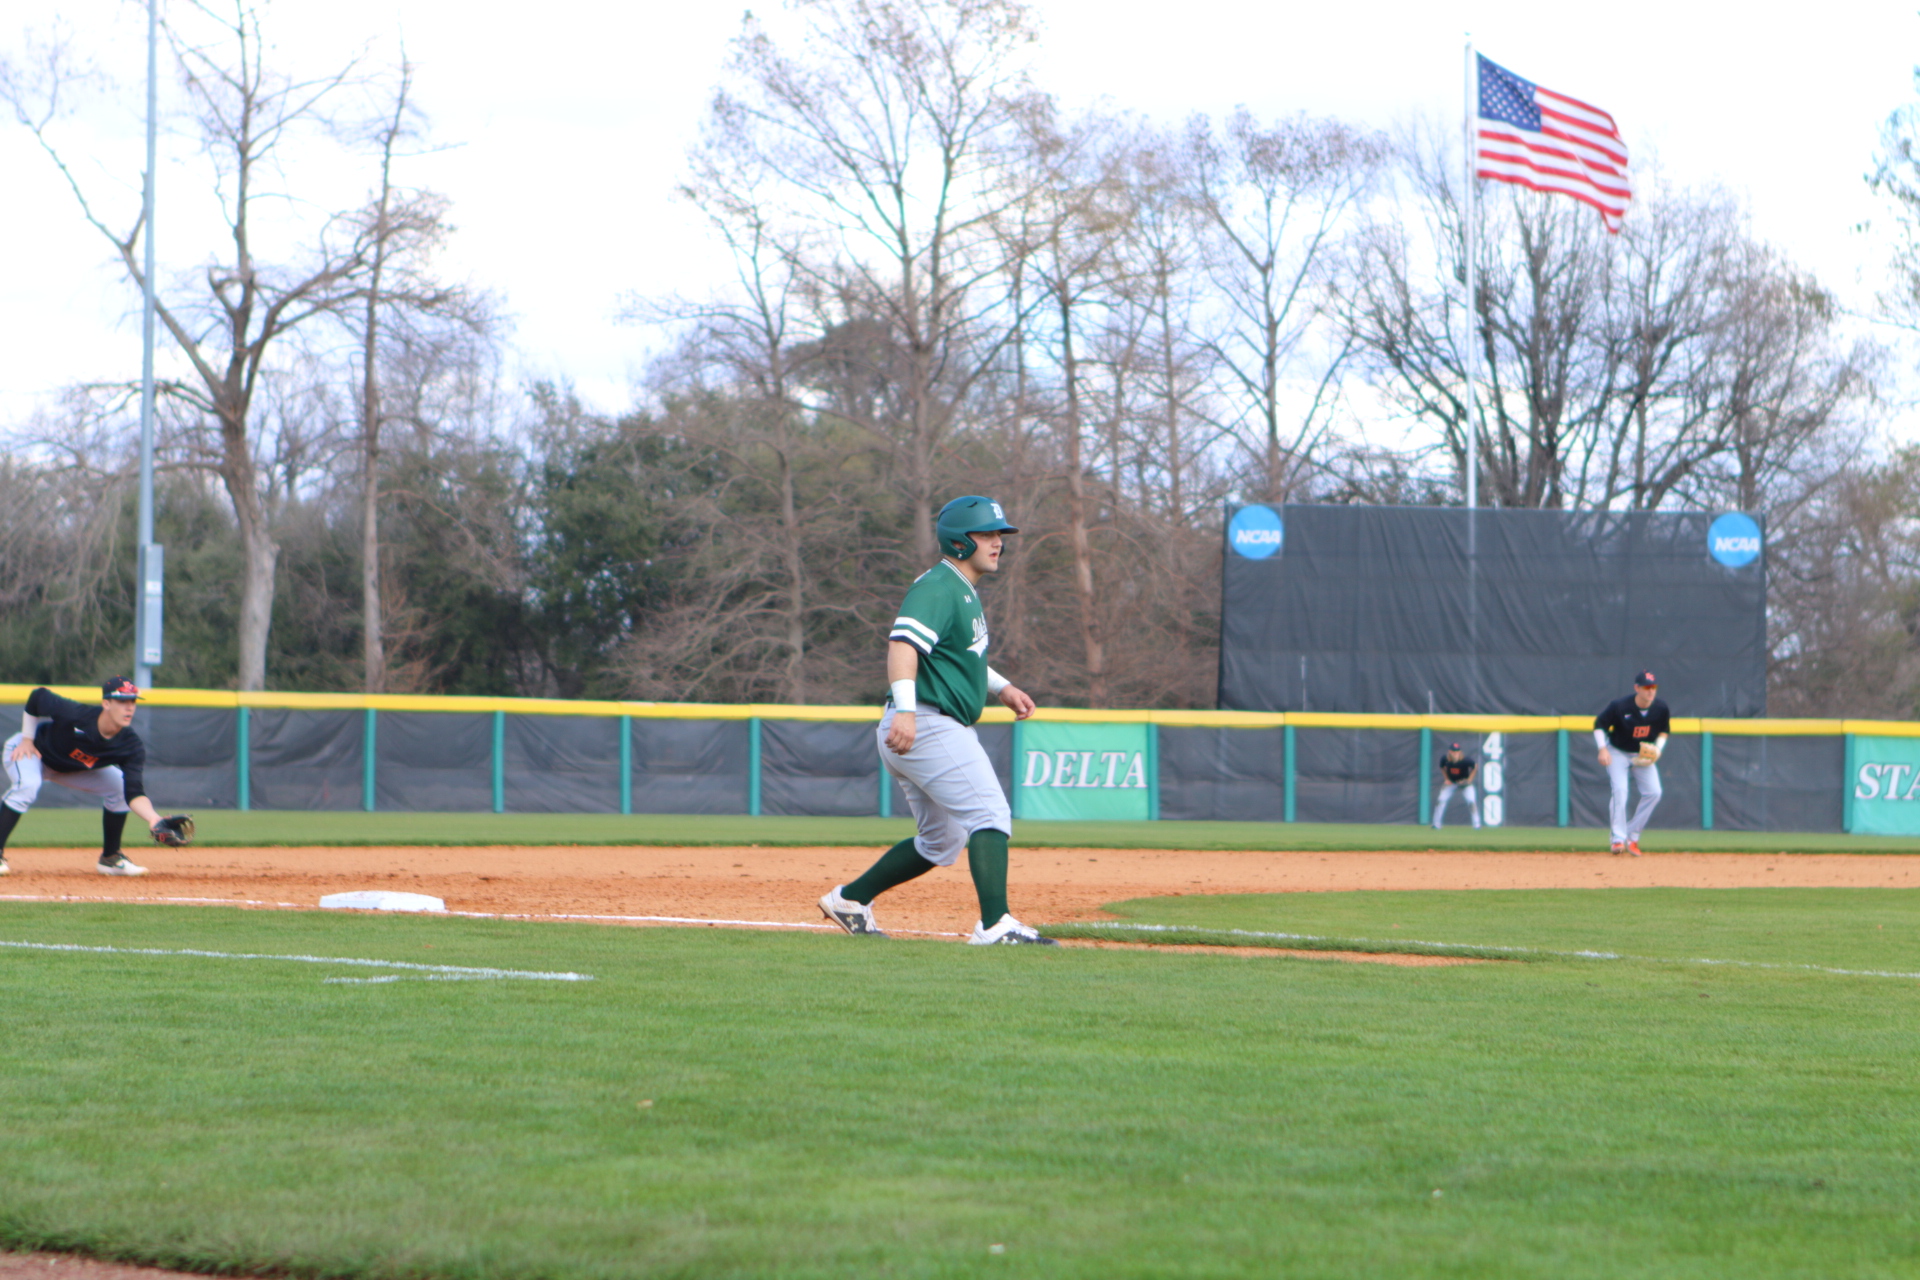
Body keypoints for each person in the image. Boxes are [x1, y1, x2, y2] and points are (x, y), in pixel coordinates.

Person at [819, 496, 1057, 945]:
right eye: (986, 534)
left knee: (940, 841)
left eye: (999, 535)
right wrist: (906, 711)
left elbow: (954, 659)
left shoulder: (959, 589)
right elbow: (902, 646)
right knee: (989, 813)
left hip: (924, 721)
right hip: (927, 722)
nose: (997, 543)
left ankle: (850, 900)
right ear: (959, 541)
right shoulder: (938, 587)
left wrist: (1001, 687)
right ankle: (995, 925)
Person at [0, 678, 172, 876]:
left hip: (70, 768)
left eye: (132, 701)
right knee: (28, 785)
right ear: (106, 703)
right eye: (122, 701)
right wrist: (27, 739)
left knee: (118, 786)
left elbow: (133, 792)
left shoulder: (130, 745)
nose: (129, 707)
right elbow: (37, 696)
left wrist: (154, 819)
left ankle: (110, 858)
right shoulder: (76, 714)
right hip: (32, 753)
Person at [1595, 670, 1670, 856]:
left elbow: (1663, 730)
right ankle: (1617, 839)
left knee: (1654, 792)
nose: (1650, 691)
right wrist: (1602, 748)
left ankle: (1632, 835)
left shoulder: (1660, 708)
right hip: (1618, 752)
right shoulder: (1620, 706)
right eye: (1646, 687)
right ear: (1637, 688)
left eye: (1653, 687)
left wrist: (1658, 749)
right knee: (1620, 790)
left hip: (1642, 755)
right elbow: (1599, 725)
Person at [1431, 741, 1481, 829]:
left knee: (1471, 801)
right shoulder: (1445, 759)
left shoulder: (1466, 760)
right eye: (1453, 751)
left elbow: (1475, 767)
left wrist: (1469, 780)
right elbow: (1442, 767)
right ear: (1449, 752)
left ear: (1460, 752)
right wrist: (1446, 779)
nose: (1455, 753)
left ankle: (1477, 824)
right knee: (1441, 800)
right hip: (1452, 783)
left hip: (1464, 783)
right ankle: (1436, 824)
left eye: (1457, 751)